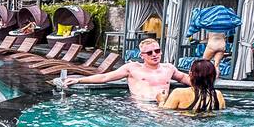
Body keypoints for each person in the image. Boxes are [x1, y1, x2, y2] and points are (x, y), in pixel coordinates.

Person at [61, 37, 189, 102]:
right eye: (149, 52)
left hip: (165, 105)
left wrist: (206, 85)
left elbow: (184, 78)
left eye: (157, 51)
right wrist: (78, 80)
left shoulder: (169, 68)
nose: (154, 54)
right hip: (141, 106)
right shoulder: (132, 68)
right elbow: (105, 77)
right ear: (142, 55)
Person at [158, 58, 226, 113]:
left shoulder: (179, 93)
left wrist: (161, 101)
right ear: (213, 76)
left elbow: (164, 115)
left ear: (190, 74)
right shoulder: (218, 95)